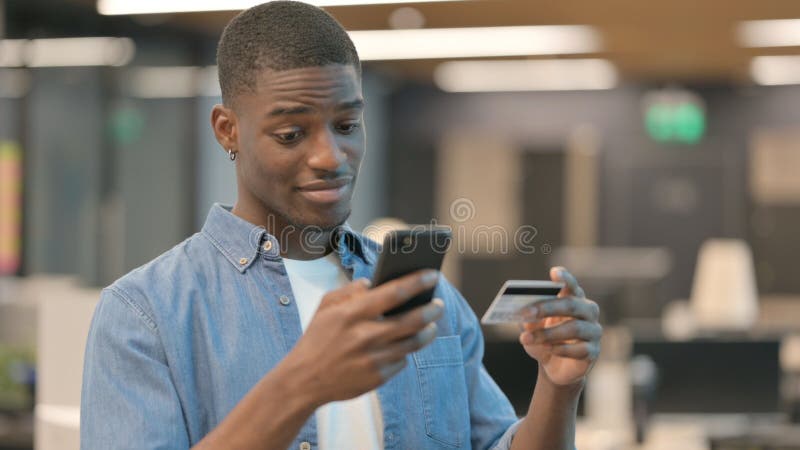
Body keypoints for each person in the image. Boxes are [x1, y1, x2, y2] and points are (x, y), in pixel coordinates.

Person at [80, 1, 602, 449]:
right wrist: (302, 384)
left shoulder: (427, 297)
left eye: (348, 125)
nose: (332, 156)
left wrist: (558, 387)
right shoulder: (144, 315)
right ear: (227, 130)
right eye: (291, 134)